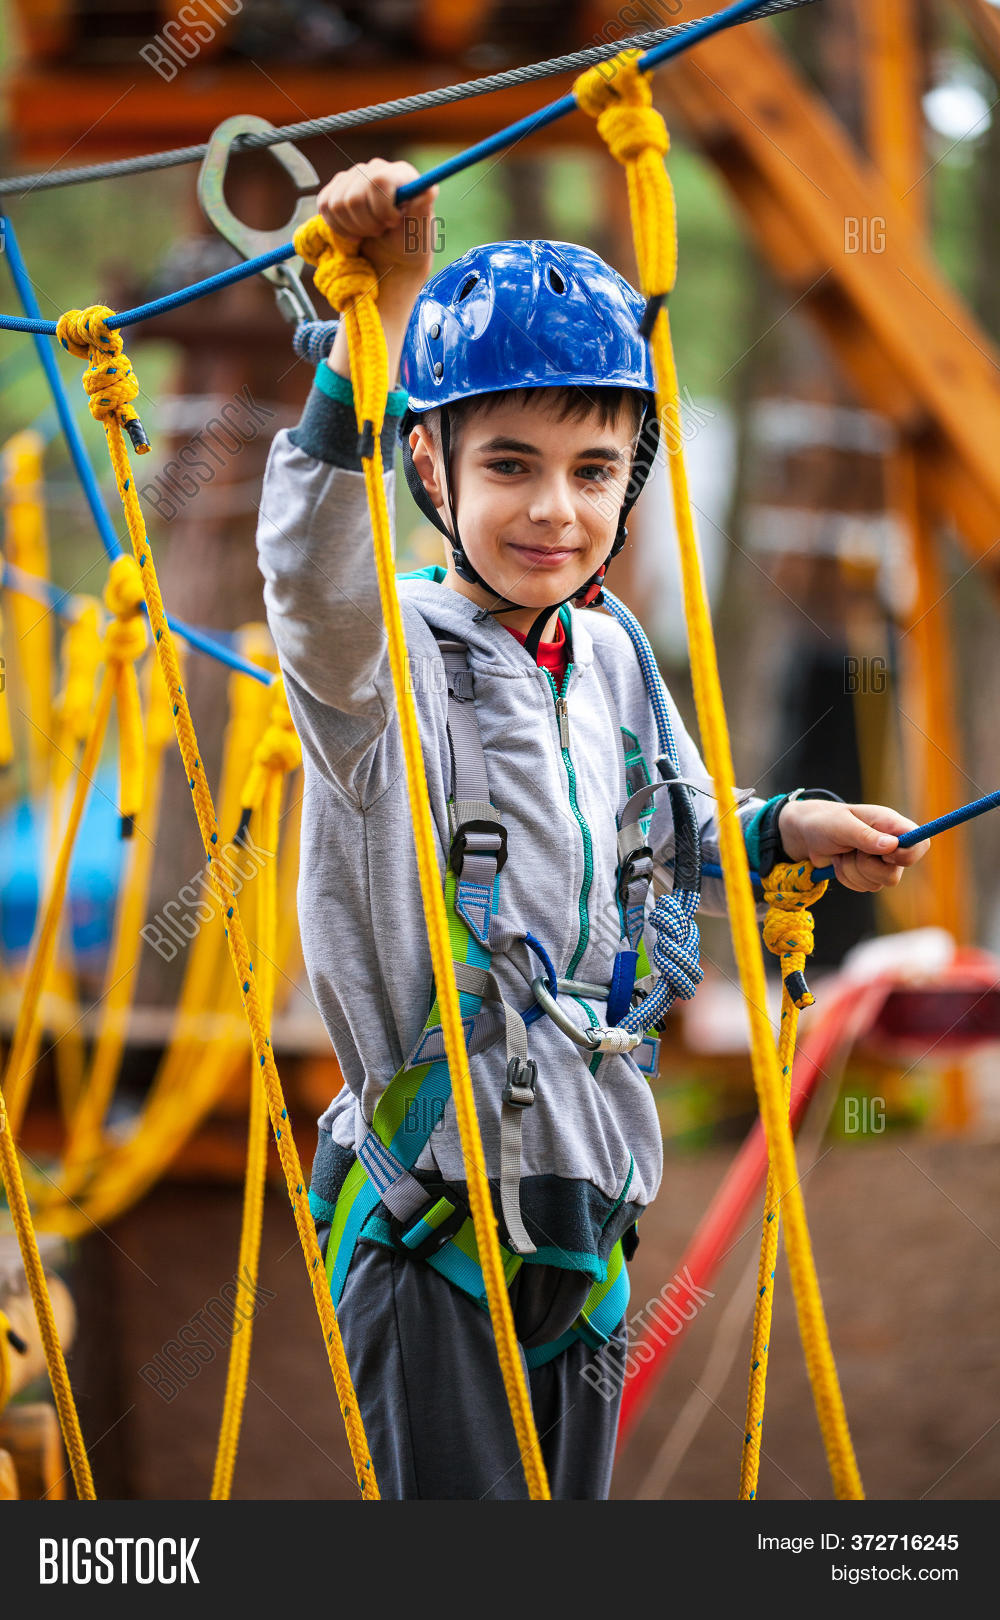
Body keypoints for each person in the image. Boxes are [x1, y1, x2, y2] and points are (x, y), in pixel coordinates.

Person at [254, 159, 929, 1499]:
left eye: (593, 468)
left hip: (590, 1208)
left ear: (632, 482)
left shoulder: (608, 650)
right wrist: (368, 337)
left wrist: (790, 825)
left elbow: (663, 831)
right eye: (509, 464)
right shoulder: (380, 663)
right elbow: (309, 587)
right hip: (438, 1220)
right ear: (429, 465)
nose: (555, 509)